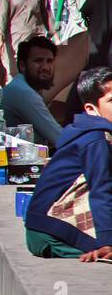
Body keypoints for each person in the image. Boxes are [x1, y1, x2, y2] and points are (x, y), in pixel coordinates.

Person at [24, 67, 112, 261]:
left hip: (42, 228)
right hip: (53, 233)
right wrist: (108, 242)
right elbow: (102, 188)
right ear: (91, 109)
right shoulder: (97, 139)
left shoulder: (84, 131)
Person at [0, 36, 63, 149]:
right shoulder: (23, 93)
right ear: (23, 66)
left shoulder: (23, 87)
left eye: (49, 61)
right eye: (38, 61)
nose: (45, 67)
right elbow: (59, 138)